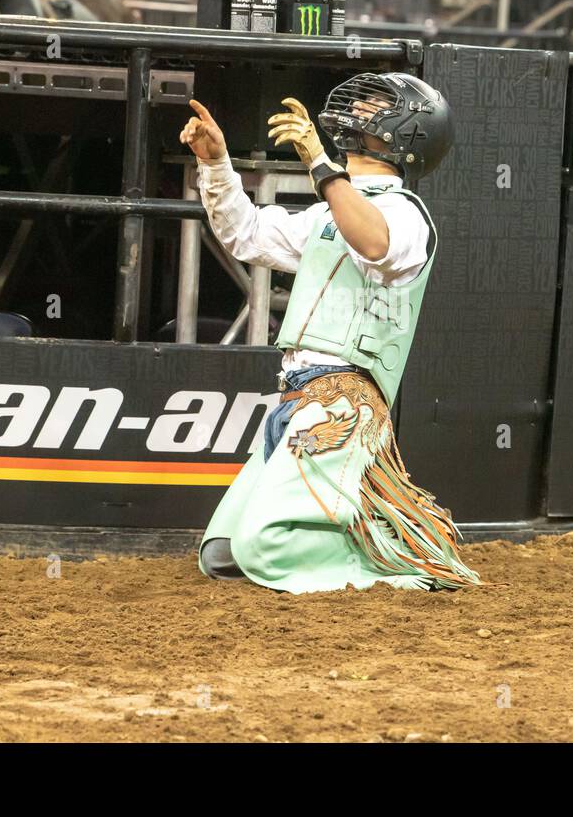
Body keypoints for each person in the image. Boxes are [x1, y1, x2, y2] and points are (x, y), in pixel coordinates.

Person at [180, 74, 480, 594]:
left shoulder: (405, 214)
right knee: (223, 554)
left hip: (342, 402)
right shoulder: (329, 209)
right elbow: (246, 234)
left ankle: (397, 561)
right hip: (296, 399)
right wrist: (216, 164)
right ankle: (374, 534)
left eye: (374, 107)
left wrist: (321, 164)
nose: (358, 109)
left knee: (261, 548)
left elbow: (374, 242)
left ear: (402, 136)